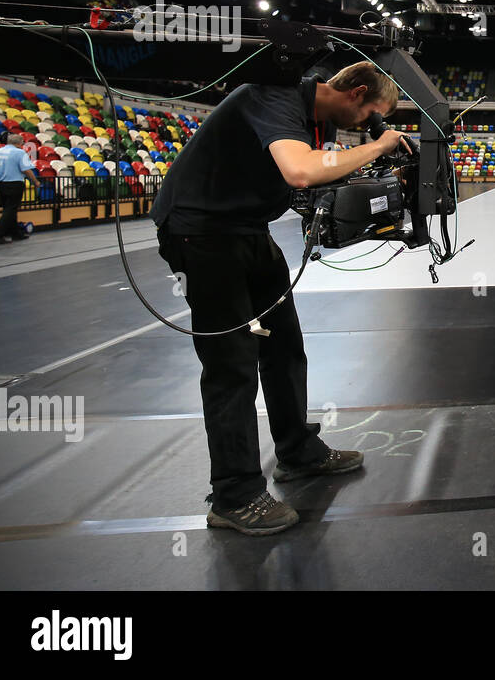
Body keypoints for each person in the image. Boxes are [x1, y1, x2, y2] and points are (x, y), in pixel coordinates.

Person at [151, 61, 411, 536]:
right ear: (354, 94)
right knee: (231, 363)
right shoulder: (273, 95)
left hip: (246, 228)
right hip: (202, 233)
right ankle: (234, 495)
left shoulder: (312, 116)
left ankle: (297, 451)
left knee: (282, 345)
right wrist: (379, 145)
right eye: (372, 113)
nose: (370, 125)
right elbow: (300, 172)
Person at [0, 133, 40, 243]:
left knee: (10, 209)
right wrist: (35, 181)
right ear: (20, 143)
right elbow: (27, 170)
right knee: (10, 209)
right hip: (15, 184)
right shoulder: (20, 153)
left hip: (1, 184)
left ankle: (15, 233)